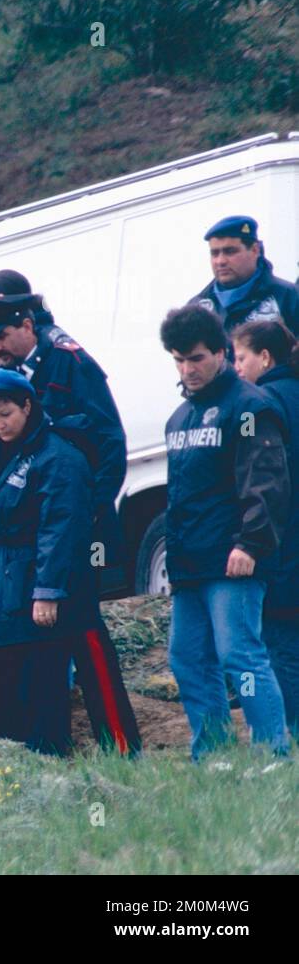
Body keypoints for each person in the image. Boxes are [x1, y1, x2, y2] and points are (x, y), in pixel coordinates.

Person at [0, 277, 142, 754]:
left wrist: (81, 518)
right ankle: (47, 745)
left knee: (84, 634)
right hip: (32, 539)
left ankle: (122, 745)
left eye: (2, 336)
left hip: (75, 528)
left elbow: (109, 445)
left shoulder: (66, 361)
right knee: (44, 647)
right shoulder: (22, 369)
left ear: (27, 324)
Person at [160, 304, 290, 759]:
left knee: (241, 657)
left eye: (195, 358)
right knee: (188, 660)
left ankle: (271, 754)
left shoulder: (251, 405)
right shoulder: (179, 419)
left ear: (221, 352)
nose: (187, 369)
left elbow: (267, 480)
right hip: (189, 563)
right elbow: (178, 497)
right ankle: (212, 756)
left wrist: (251, 543)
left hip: (233, 560)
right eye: (178, 359)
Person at [0, 370, 93, 753]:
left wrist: (47, 592)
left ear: (28, 406)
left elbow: (61, 530)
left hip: (30, 590)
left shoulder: (58, 457)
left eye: (6, 414)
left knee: (38, 682)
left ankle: (43, 762)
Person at [231, 319, 299, 739]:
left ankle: (289, 732)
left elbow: (265, 481)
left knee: (280, 645)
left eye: (240, 357)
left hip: (283, 543)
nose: (236, 367)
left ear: (265, 357)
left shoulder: (260, 403)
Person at [192, 216, 299, 339]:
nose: (220, 261)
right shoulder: (197, 309)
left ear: (255, 250)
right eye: (214, 254)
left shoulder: (289, 297)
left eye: (230, 251)